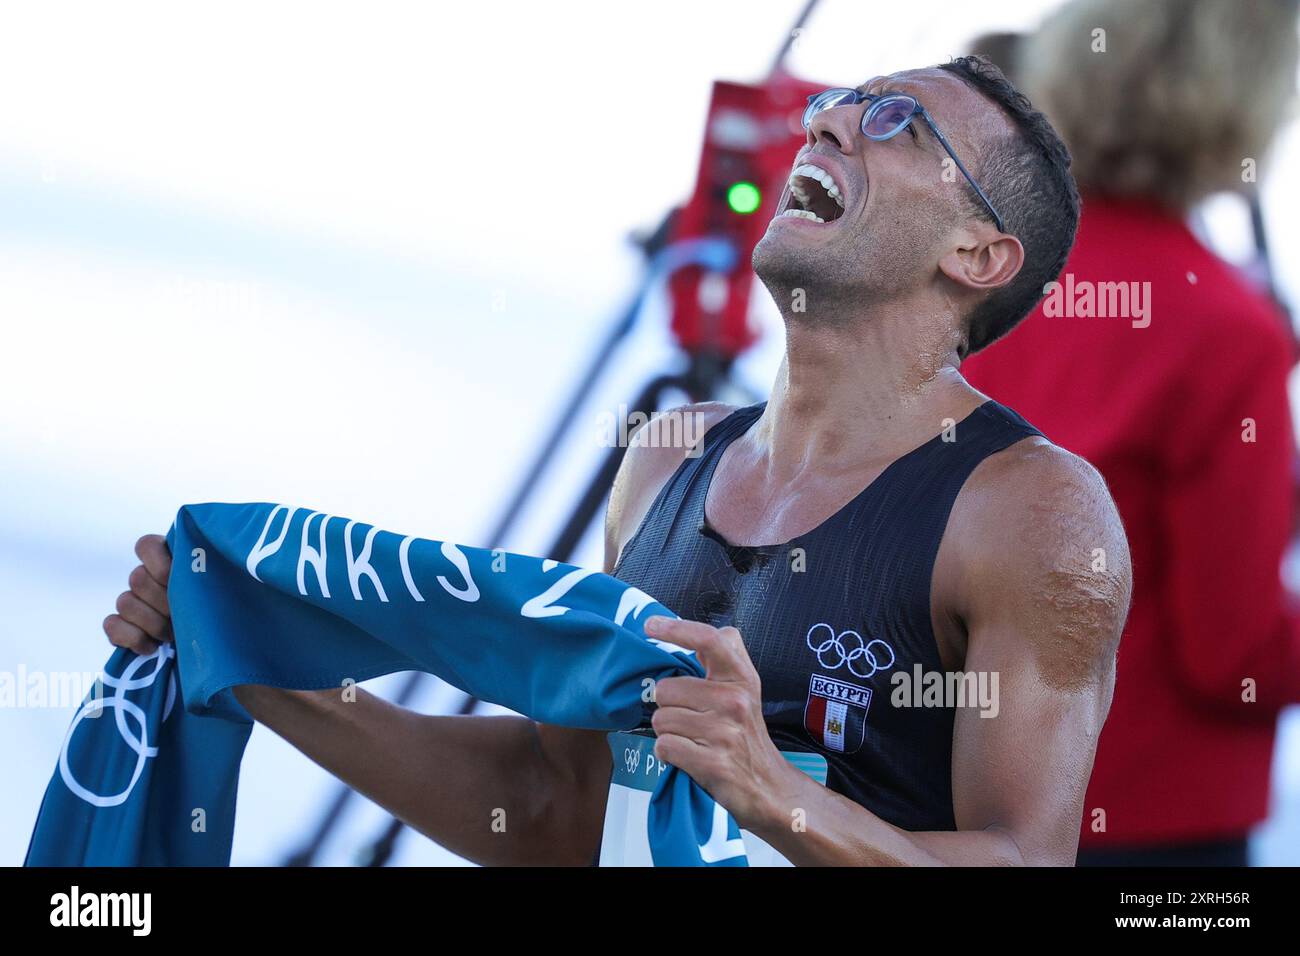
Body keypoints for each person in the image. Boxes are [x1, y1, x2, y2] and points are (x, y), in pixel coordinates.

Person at [104, 56, 1132, 866]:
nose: (824, 123)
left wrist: (774, 795)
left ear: (975, 255)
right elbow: (554, 806)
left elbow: (1020, 859)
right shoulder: (665, 458)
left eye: (893, 121)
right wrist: (244, 660)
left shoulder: (1030, 512)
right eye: (835, 102)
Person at [961, 0, 1300, 865]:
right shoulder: (1228, 331)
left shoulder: (981, 271)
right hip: (1154, 837)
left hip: (950, 810)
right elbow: (1234, 654)